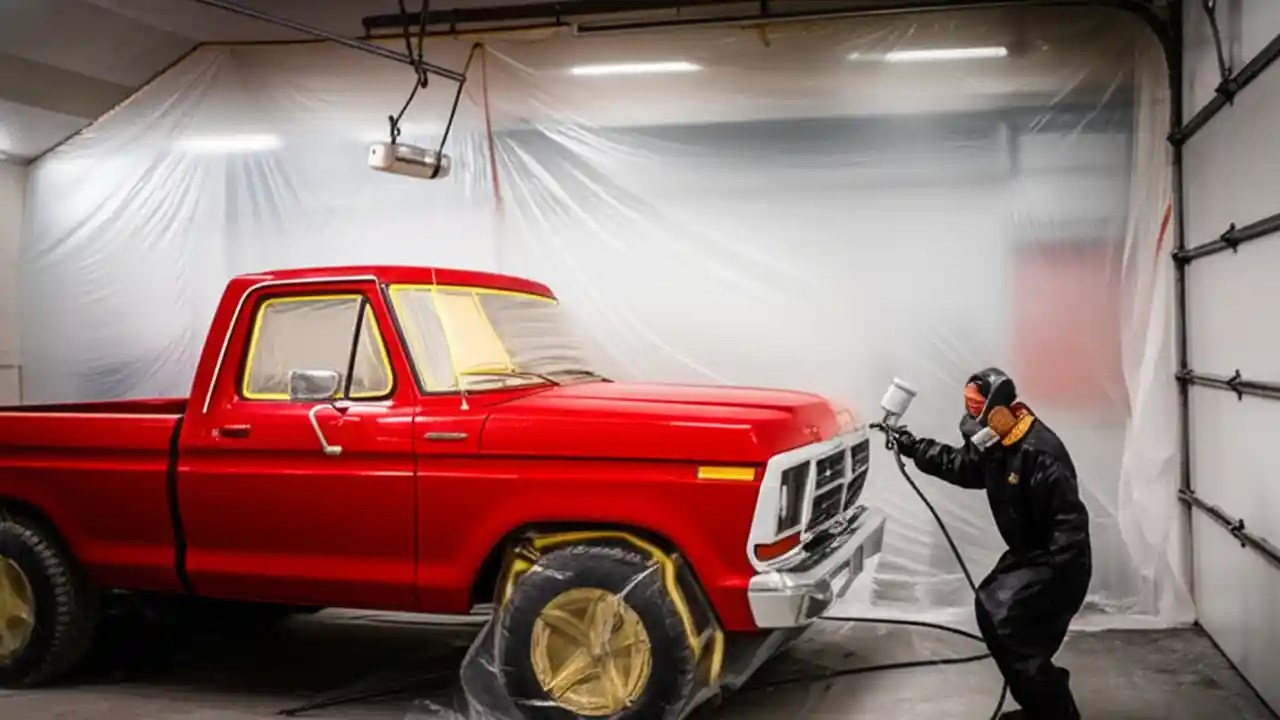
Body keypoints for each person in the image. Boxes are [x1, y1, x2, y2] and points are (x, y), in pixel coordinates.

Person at [885, 367, 1092, 720]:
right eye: (967, 403)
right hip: (1027, 554)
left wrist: (1052, 584)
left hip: (1057, 560)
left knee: (1011, 626)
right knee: (994, 613)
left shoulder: (1041, 454)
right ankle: (1044, 706)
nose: (970, 412)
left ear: (998, 409)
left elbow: (1068, 526)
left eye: (976, 405)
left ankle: (1056, 712)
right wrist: (913, 446)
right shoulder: (998, 444)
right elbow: (964, 466)